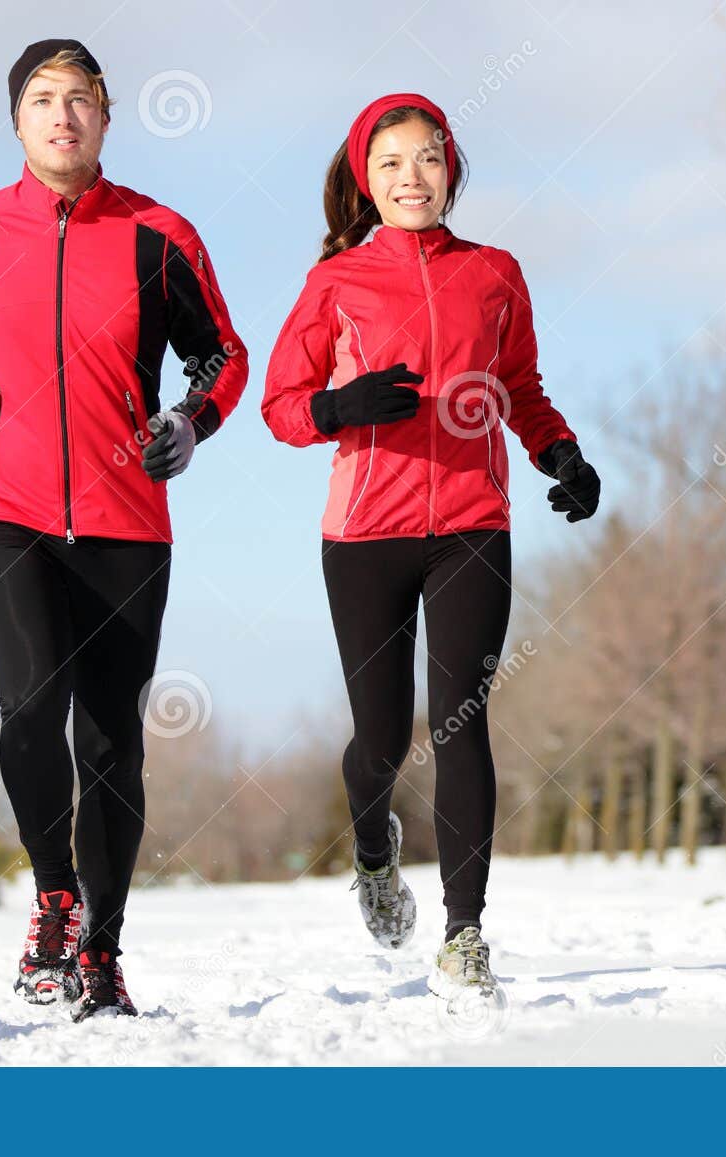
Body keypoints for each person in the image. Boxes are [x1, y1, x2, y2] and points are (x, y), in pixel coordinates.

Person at [0, 39, 247, 1020]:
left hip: (125, 516)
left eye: (81, 99)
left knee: (110, 741)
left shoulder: (156, 235)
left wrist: (188, 420)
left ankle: (102, 948)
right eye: (43, 99)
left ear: (106, 114)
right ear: (17, 120)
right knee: (29, 697)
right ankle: (54, 890)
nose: (62, 115)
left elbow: (220, 354)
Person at [260, 93, 600, 1000]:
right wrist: (340, 407)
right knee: (380, 736)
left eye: (429, 158)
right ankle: (374, 850)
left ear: (451, 168)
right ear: (365, 182)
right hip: (365, 531)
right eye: (391, 164)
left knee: (460, 720)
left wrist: (560, 453)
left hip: (472, 525)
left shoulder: (495, 272)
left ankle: (465, 932)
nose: (412, 177)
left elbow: (521, 386)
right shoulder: (336, 282)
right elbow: (281, 406)